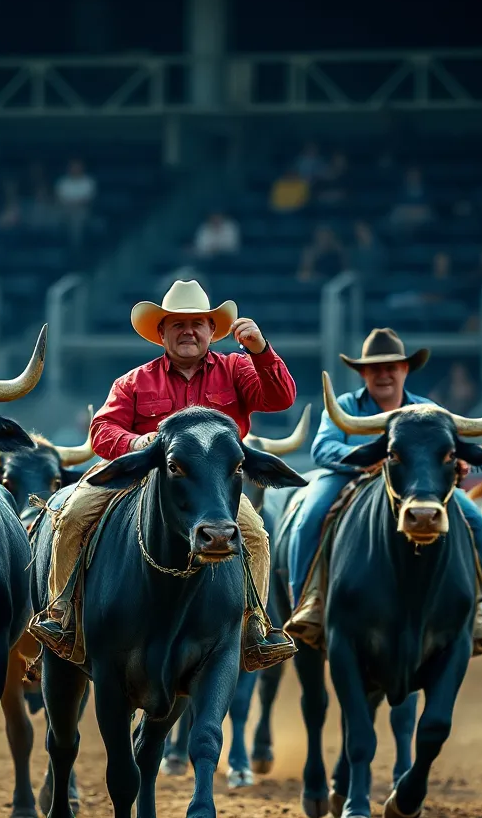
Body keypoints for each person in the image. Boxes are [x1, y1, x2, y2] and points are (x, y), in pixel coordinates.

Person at [26, 278, 299, 673]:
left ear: (211, 330)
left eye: (198, 323)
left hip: (210, 491)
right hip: (142, 480)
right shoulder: (134, 381)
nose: (188, 331)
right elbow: (102, 431)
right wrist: (137, 445)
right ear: (161, 332)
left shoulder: (238, 368)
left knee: (254, 534)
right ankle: (61, 614)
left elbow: (280, 398)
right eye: (177, 324)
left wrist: (260, 350)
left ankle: (254, 627)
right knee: (71, 515)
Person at [282, 328, 482, 655]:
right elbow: (322, 449)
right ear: (362, 373)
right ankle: (307, 602)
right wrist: (366, 463)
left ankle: (481, 609)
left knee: (477, 521)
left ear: (405, 370)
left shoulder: (429, 410)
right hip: (350, 477)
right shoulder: (345, 406)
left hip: (415, 486)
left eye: (392, 367)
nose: (383, 374)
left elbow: (447, 450)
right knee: (310, 516)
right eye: (374, 368)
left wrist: (454, 462)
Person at [54, 158, 96, 246]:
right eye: (73, 167)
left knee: (76, 220)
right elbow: (59, 199)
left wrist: (74, 204)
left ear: (82, 168)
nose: (75, 169)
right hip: (64, 210)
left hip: (82, 211)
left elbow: (87, 200)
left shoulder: (88, 182)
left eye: (77, 167)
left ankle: (75, 247)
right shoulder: (63, 182)